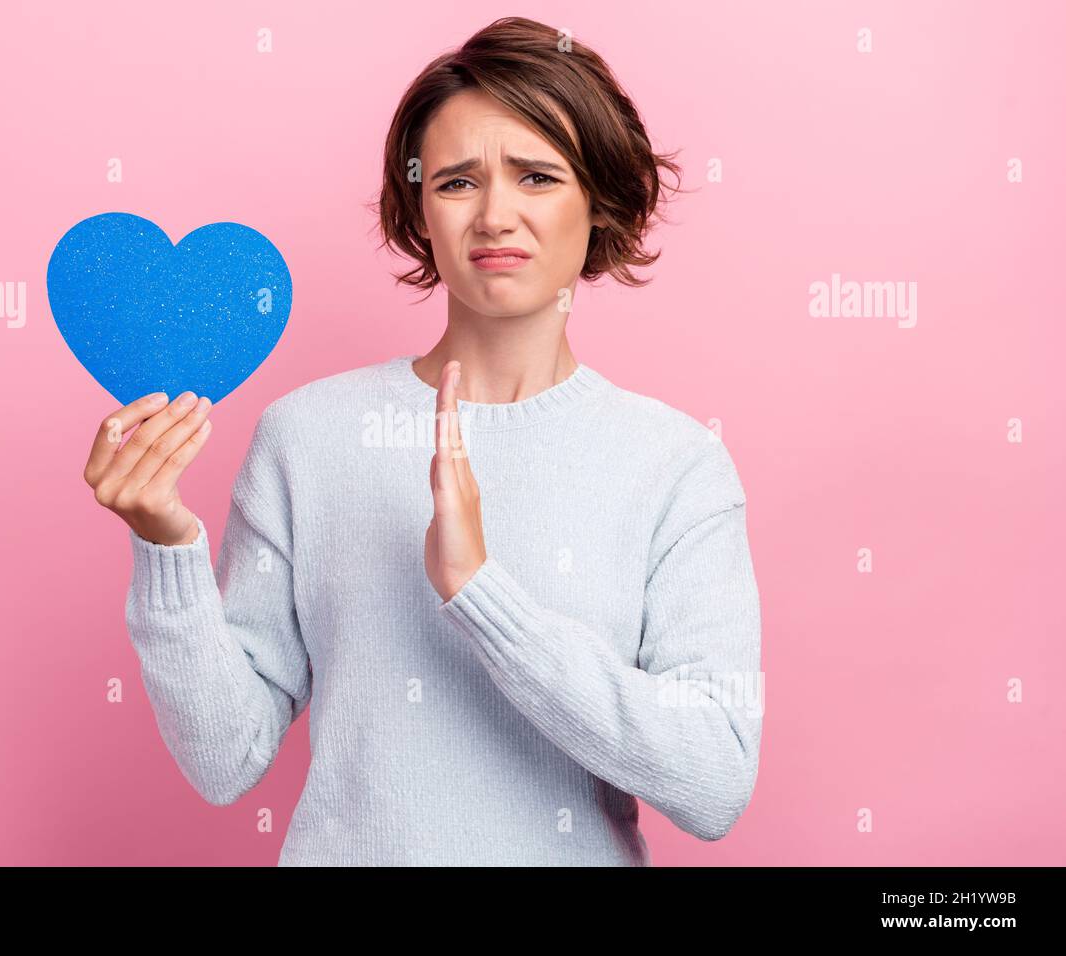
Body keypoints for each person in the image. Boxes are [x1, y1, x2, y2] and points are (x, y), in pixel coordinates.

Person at [83, 16, 762, 866]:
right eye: (456, 182)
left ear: (600, 201)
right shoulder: (308, 437)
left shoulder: (675, 468)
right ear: (420, 212)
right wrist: (167, 547)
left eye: (537, 175)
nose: (495, 215)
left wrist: (480, 594)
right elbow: (226, 759)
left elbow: (716, 782)